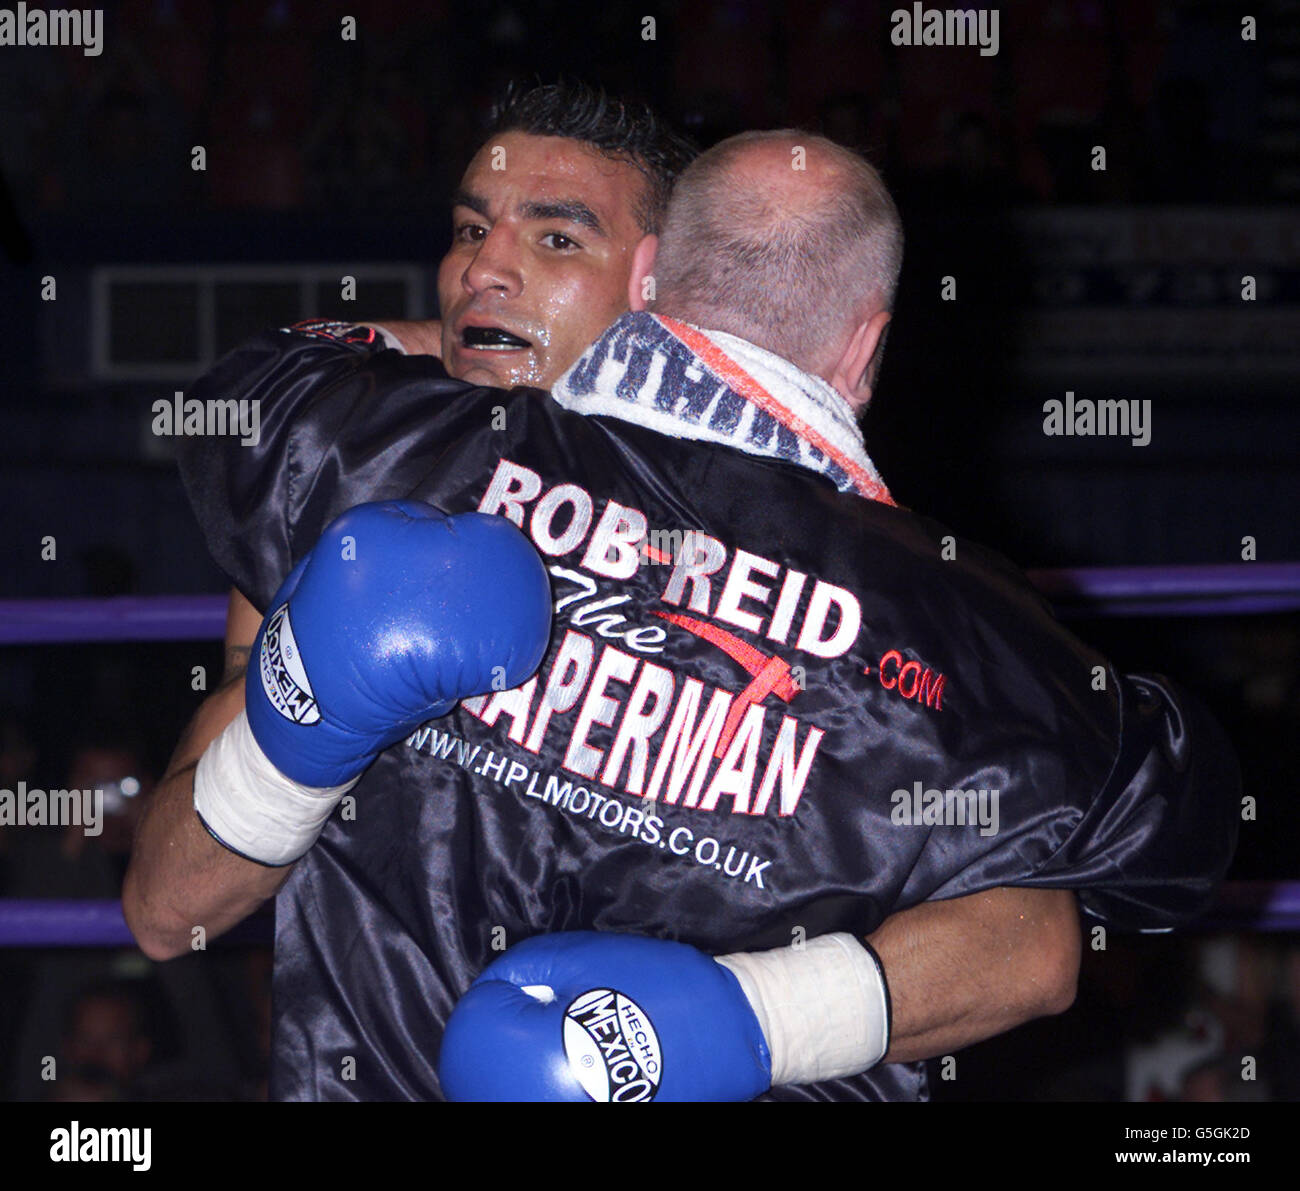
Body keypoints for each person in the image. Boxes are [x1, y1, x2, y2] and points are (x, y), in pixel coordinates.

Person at [124, 89, 1236, 1100]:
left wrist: (747, 1023)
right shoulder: (375, 492)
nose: (483, 274)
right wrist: (299, 736)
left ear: (658, 286)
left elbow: (1040, 945)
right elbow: (168, 910)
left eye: (555, 238)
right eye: (469, 234)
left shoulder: (917, 619)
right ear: (863, 349)